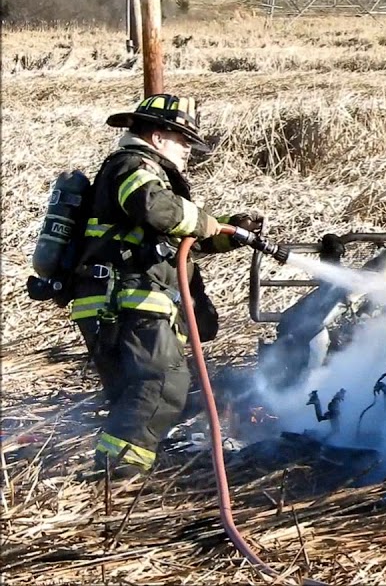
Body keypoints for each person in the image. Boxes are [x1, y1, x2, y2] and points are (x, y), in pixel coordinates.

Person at [70, 94, 261, 479]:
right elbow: (157, 209)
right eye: (184, 141)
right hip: (127, 301)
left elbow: (180, 238)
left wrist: (229, 230)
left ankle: (116, 472)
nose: (188, 151)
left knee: (140, 391)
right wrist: (204, 220)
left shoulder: (140, 169)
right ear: (158, 137)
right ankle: (117, 474)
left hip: (121, 303)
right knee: (161, 383)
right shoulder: (131, 166)